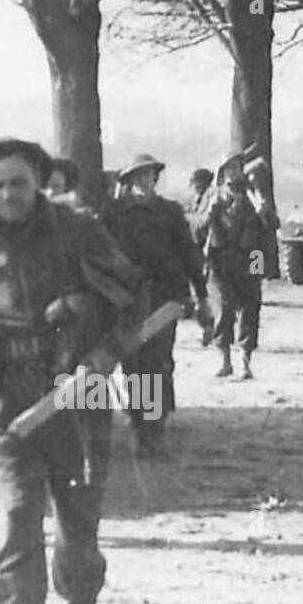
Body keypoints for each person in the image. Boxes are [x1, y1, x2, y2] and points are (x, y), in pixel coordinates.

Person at [0, 137, 144, 604]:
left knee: (78, 522)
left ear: (38, 180)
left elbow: (135, 301)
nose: (9, 193)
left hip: (73, 399)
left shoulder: (77, 231)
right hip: (2, 404)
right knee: (18, 511)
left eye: (18, 182)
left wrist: (103, 360)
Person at [102, 152, 212, 457]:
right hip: (127, 302)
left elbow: (189, 254)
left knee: (159, 364)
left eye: (149, 175)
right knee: (134, 366)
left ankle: (155, 429)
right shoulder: (112, 214)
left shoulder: (169, 212)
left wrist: (201, 297)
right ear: (127, 182)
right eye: (137, 176)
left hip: (164, 300)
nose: (144, 181)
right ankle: (140, 425)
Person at [197, 149, 263, 378]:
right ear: (223, 172)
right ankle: (225, 360)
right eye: (230, 168)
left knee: (250, 308)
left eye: (238, 167)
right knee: (223, 311)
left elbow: (269, 228)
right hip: (219, 261)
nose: (235, 172)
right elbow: (197, 229)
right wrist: (209, 214)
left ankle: (246, 361)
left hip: (251, 257)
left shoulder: (253, 195)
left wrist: (264, 211)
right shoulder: (212, 195)